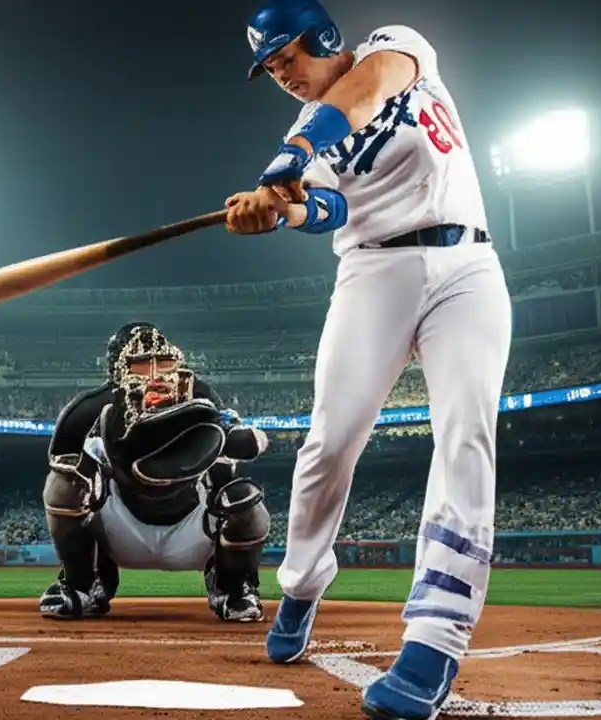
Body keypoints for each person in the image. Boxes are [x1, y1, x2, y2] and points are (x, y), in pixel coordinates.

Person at [225, 1, 512, 718]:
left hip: (468, 266)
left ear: (321, 37)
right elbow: (327, 210)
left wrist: (287, 161)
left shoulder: (395, 45)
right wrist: (279, 209)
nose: (283, 75)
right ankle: (299, 586)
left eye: (288, 56)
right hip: (372, 275)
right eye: (271, 68)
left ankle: (436, 638)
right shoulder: (300, 134)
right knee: (332, 441)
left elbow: (373, 85)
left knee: (466, 432)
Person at [39, 322, 272, 622]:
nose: (154, 375)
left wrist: (229, 438)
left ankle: (232, 586)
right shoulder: (94, 409)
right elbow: (62, 458)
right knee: (64, 481)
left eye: (163, 363)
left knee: (246, 502)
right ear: (118, 369)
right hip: (119, 529)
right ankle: (83, 580)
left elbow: (250, 439)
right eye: (140, 365)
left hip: (192, 528)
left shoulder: (199, 397)